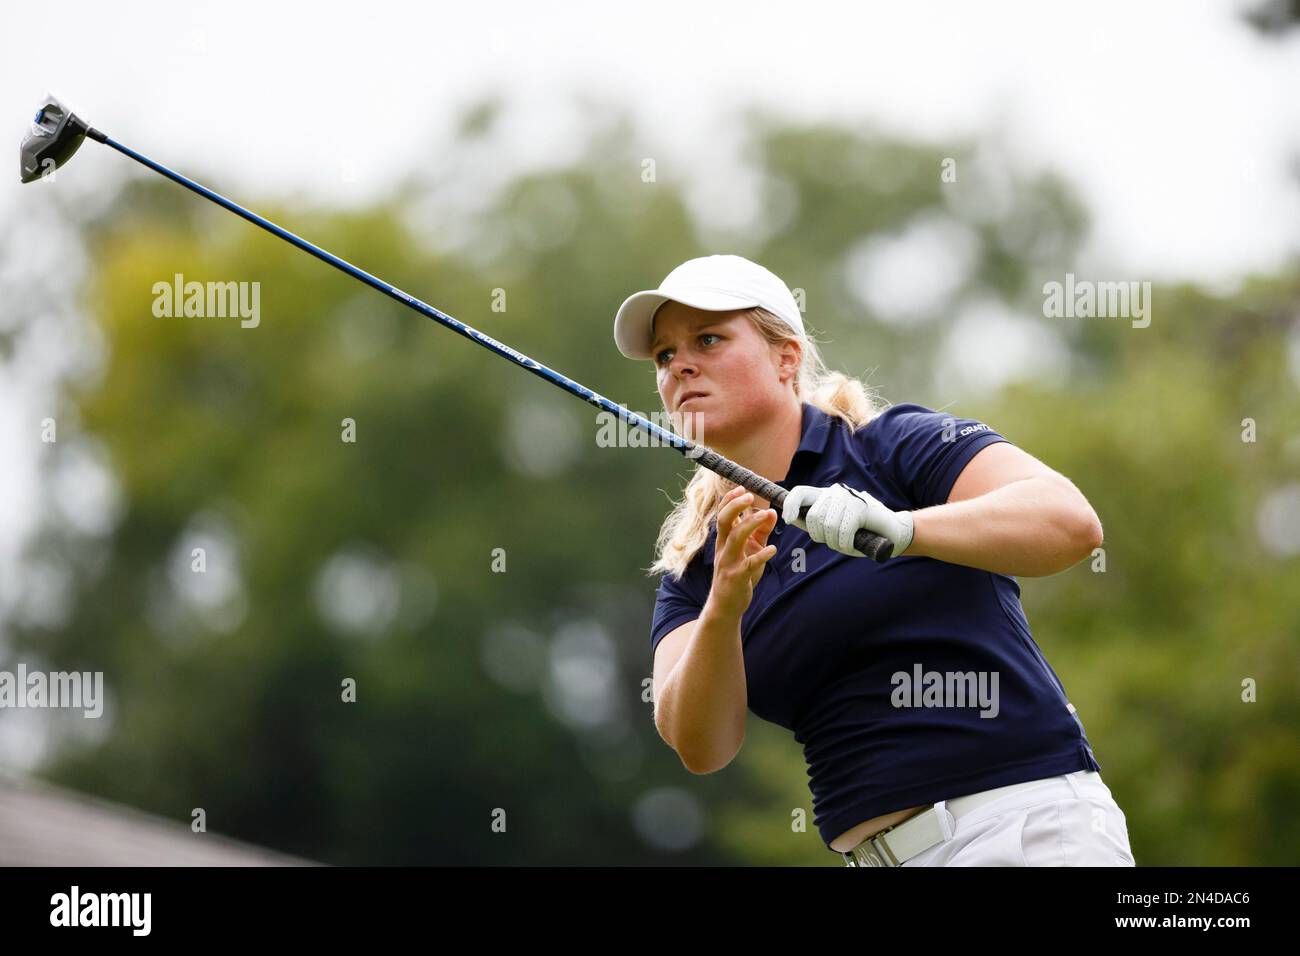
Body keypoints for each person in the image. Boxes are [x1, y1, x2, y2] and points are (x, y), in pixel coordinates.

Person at [613, 254, 1136, 867]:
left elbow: (1070, 522)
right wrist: (724, 606)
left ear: (787, 358)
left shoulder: (889, 449)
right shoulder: (700, 561)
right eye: (664, 356)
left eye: (708, 339)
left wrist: (901, 528)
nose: (680, 367)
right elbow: (700, 745)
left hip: (1017, 828)